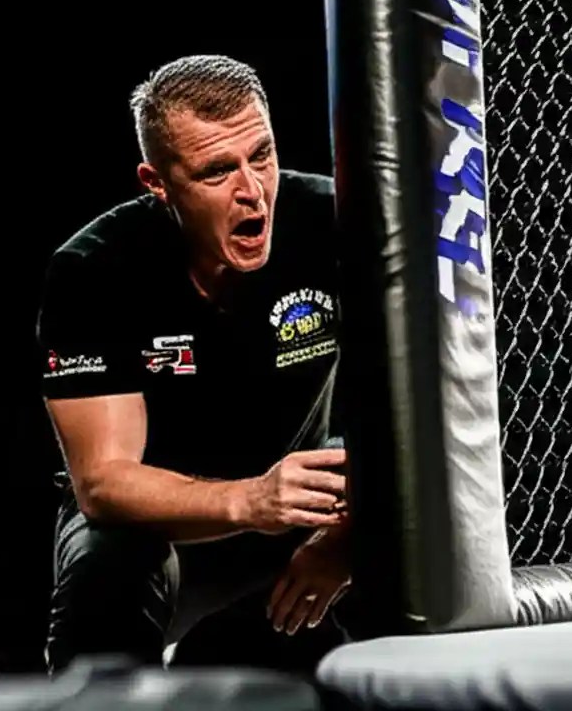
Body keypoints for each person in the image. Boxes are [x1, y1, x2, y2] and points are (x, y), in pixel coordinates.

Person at [37, 54, 353, 675]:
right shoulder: (93, 269)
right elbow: (102, 483)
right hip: (163, 525)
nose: (252, 190)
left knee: (400, 531)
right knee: (105, 560)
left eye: (262, 156)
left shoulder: (337, 222)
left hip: (298, 509)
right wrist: (251, 500)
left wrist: (348, 538)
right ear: (156, 182)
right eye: (217, 171)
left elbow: (420, 404)